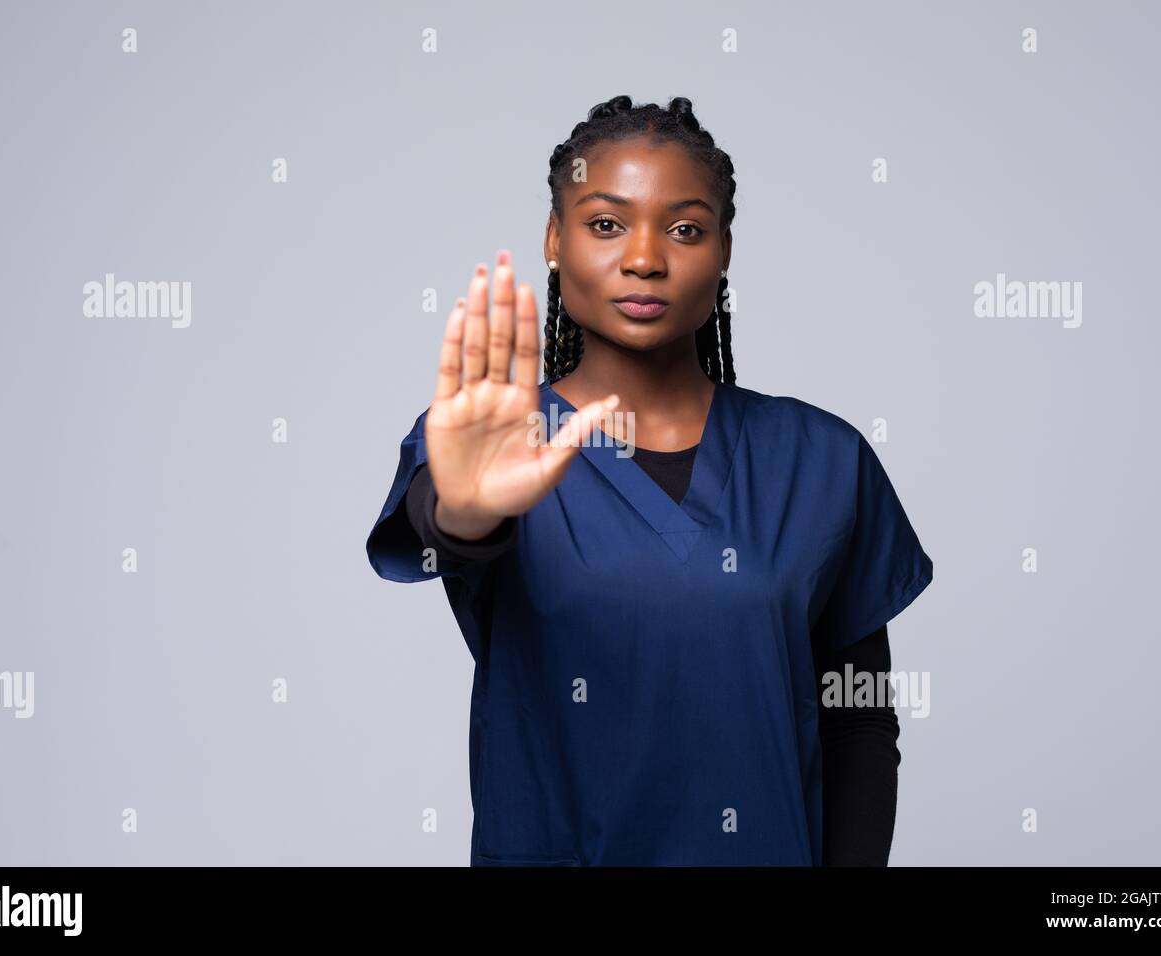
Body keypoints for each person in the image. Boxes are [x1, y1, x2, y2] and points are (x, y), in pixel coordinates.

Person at [367, 95, 933, 866]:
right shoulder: (493, 439)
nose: (644, 257)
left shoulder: (822, 458)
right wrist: (464, 513)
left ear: (725, 249)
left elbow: (857, 716)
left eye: (684, 228)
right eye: (605, 224)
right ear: (554, 240)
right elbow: (440, 529)